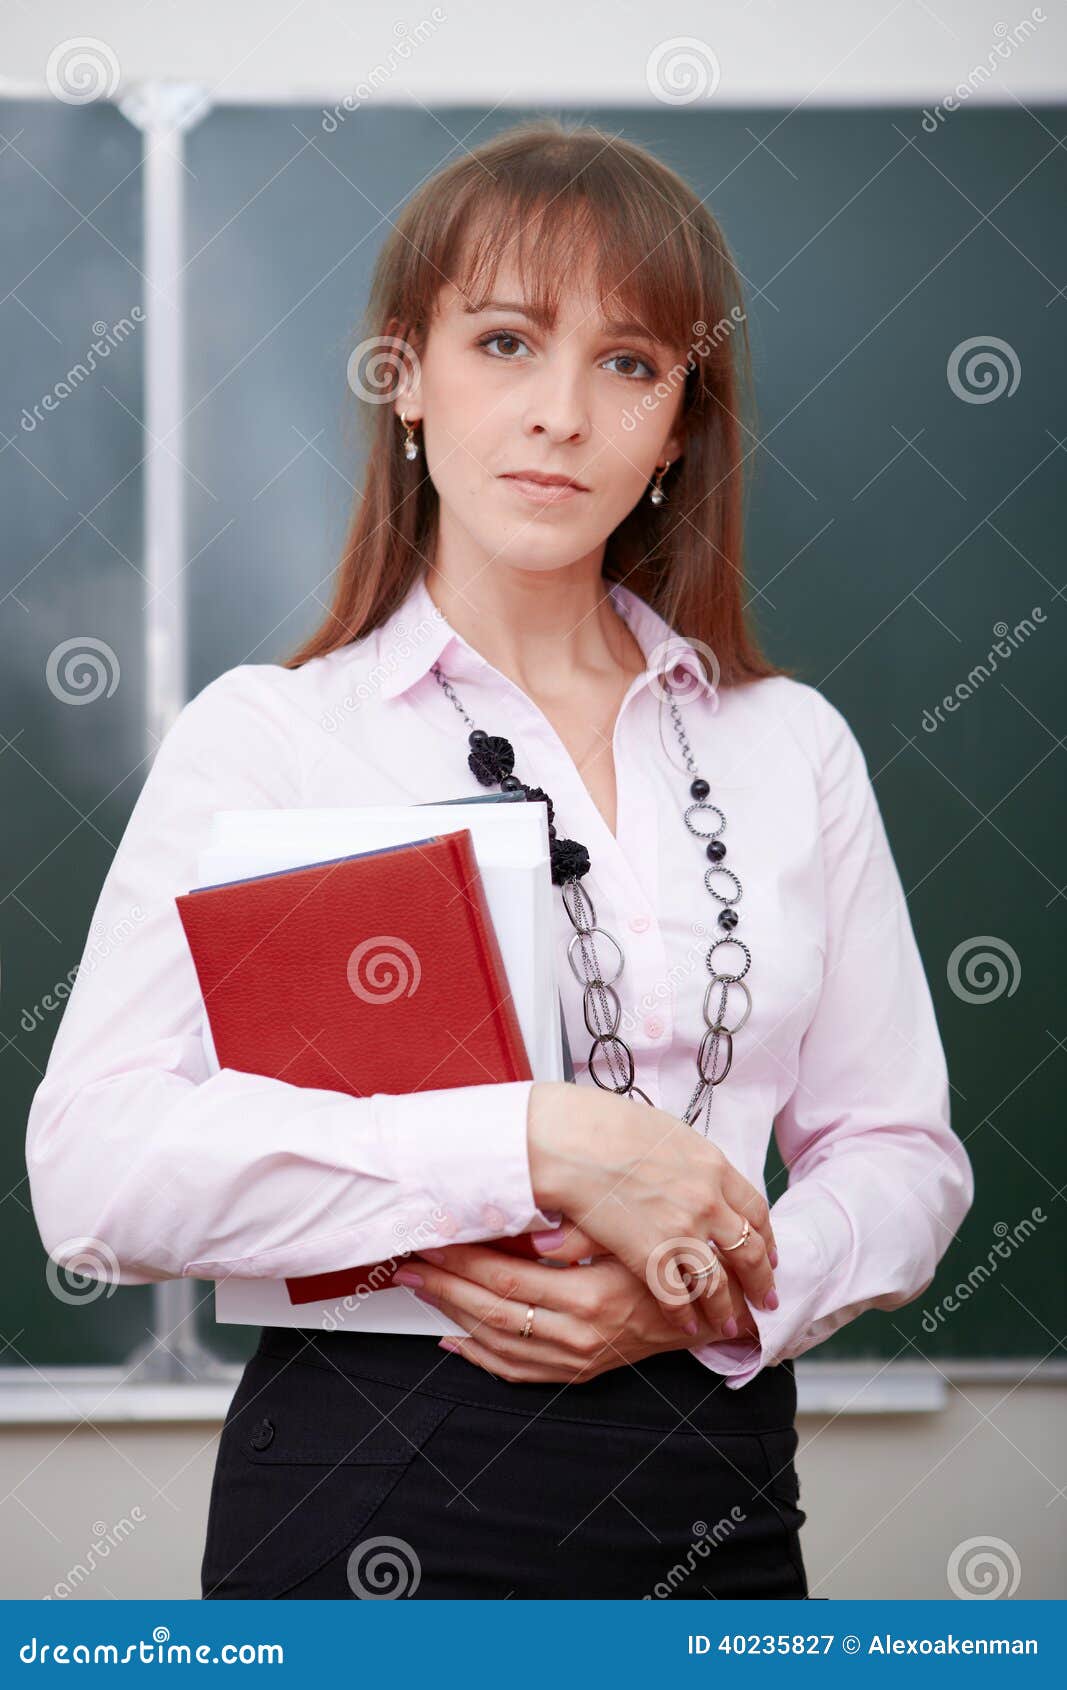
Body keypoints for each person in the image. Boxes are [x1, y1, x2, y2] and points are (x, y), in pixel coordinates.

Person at [25, 117, 974, 1600]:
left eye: (631, 364)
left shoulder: (792, 745)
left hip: (712, 1494)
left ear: (679, 423)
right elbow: (95, 1172)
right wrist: (534, 1139)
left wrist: (709, 1297)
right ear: (402, 376)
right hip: (361, 1493)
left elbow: (905, 1159)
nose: (562, 415)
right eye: (509, 342)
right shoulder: (272, 737)